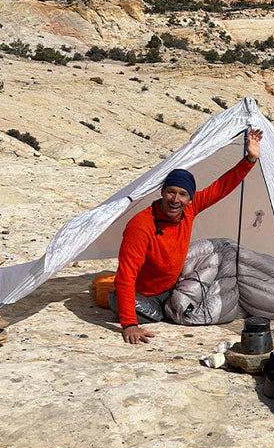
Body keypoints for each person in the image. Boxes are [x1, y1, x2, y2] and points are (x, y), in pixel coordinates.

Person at [112, 129, 264, 345]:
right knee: (152, 311)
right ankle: (143, 308)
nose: (176, 199)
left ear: (190, 198)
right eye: (171, 192)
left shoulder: (189, 209)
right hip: (145, 294)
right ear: (162, 192)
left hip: (174, 285)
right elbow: (126, 276)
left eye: (183, 194)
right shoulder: (141, 225)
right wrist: (129, 324)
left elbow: (221, 187)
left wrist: (249, 160)